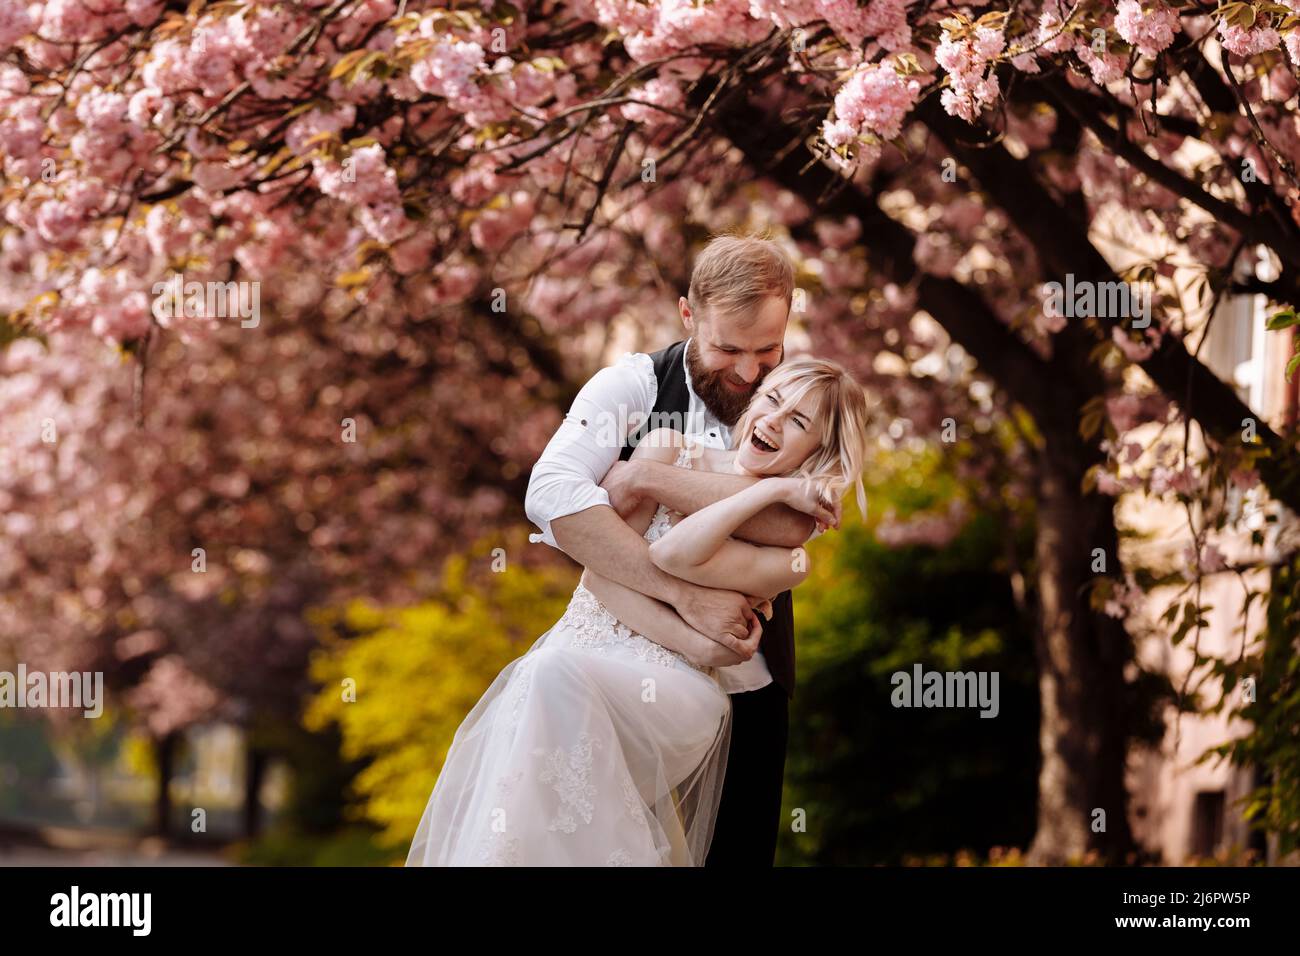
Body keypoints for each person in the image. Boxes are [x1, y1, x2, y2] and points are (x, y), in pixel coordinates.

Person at [405, 355, 869, 866]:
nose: (775, 421)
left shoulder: (791, 555)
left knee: (552, 675)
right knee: (535, 744)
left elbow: (671, 554)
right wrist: (690, 622)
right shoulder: (668, 446)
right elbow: (597, 572)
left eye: (799, 423)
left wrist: (770, 491)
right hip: (580, 649)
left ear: (818, 454)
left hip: (672, 686)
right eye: (774, 400)